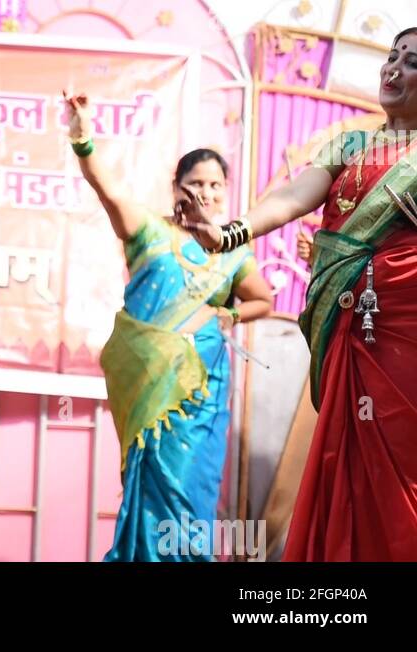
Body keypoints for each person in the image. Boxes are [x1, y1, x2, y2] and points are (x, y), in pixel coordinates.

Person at [177, 27, 417, 561]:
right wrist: (228, 233)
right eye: (392, 55)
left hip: (404, 334)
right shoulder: (353, 143)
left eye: (413, 60)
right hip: (351, 331)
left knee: (402, 470)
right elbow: (293, 197)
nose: (394, 68)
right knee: (346, 463)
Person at [63, 91, 273, 561]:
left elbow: (263, 299)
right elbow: (109, 190)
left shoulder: (233, 250)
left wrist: (226, 314)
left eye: (216, 185)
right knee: (152, 474)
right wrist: (83, 140)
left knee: (190, 482)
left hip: (202, 386)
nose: (206, 193)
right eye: (196, 182)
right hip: (150, 383)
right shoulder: (150, 230)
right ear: (176, 186)